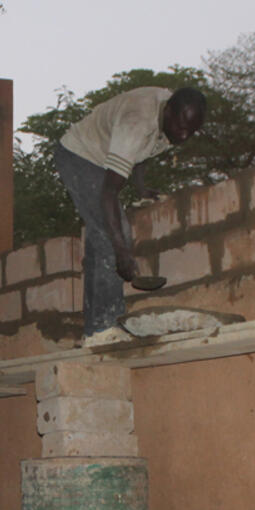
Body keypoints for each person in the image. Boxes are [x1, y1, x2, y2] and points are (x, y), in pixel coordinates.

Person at [55, 86, 206, 345]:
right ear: (168, 110)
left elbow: (143, 151)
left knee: (100, 241)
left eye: (190, 132)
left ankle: (93, 330)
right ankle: (104, 327)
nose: (182, 136)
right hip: (79, 155)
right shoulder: (137, 122)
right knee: (113, 233)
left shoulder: (169, 115)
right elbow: (108, 195)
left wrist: (141, 188)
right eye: (180, 127)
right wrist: (122, 252)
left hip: (103, 156)